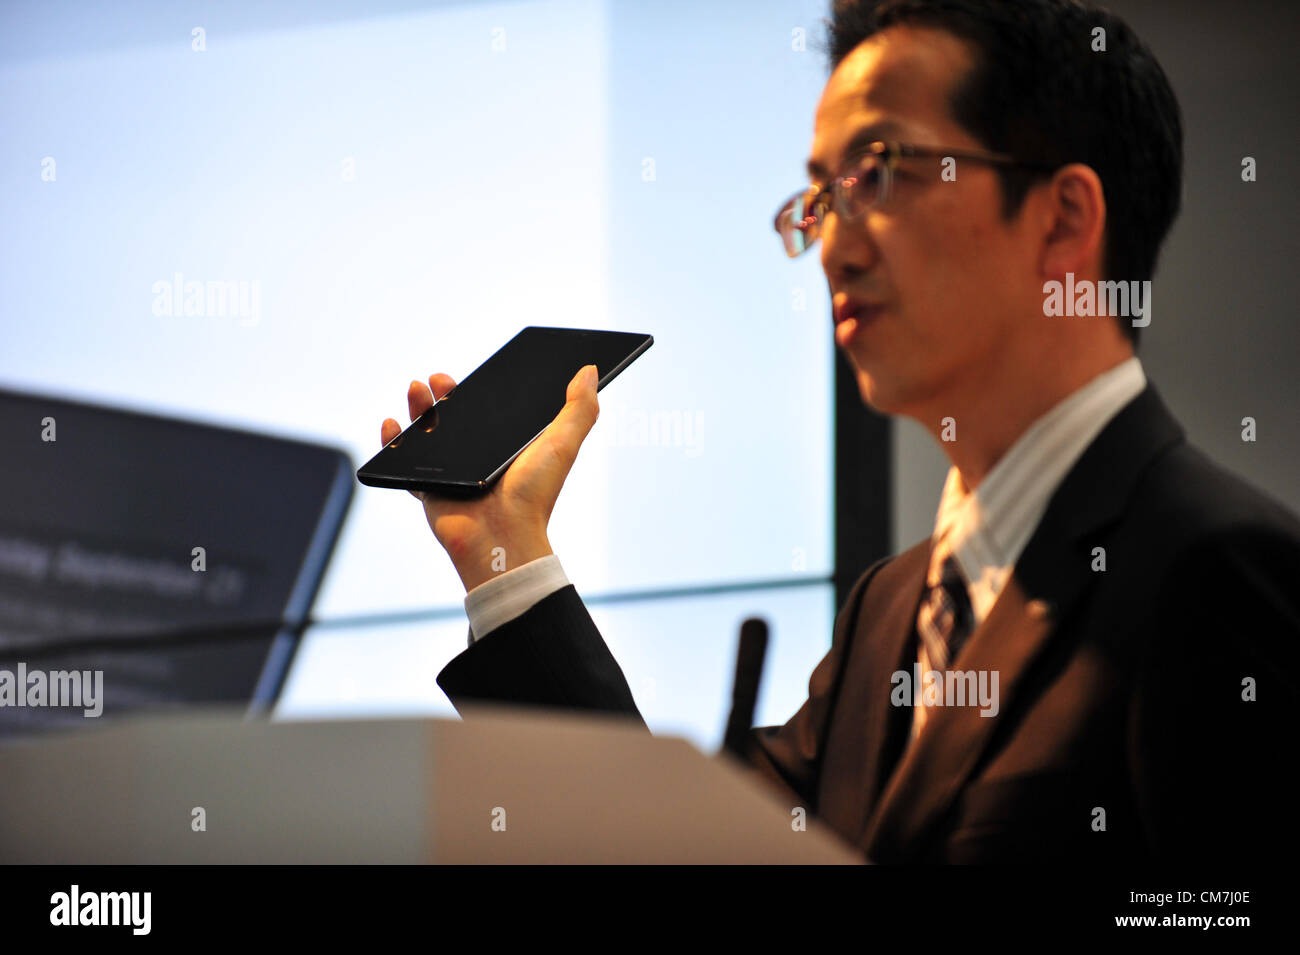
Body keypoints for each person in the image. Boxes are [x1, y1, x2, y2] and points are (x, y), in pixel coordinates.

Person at [379, 0, 1300, 863]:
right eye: (819, 198)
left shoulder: (1215, 570)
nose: (834, 244)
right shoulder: (890, 609)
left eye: (883, 174)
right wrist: (506, 553)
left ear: (1063, 218)